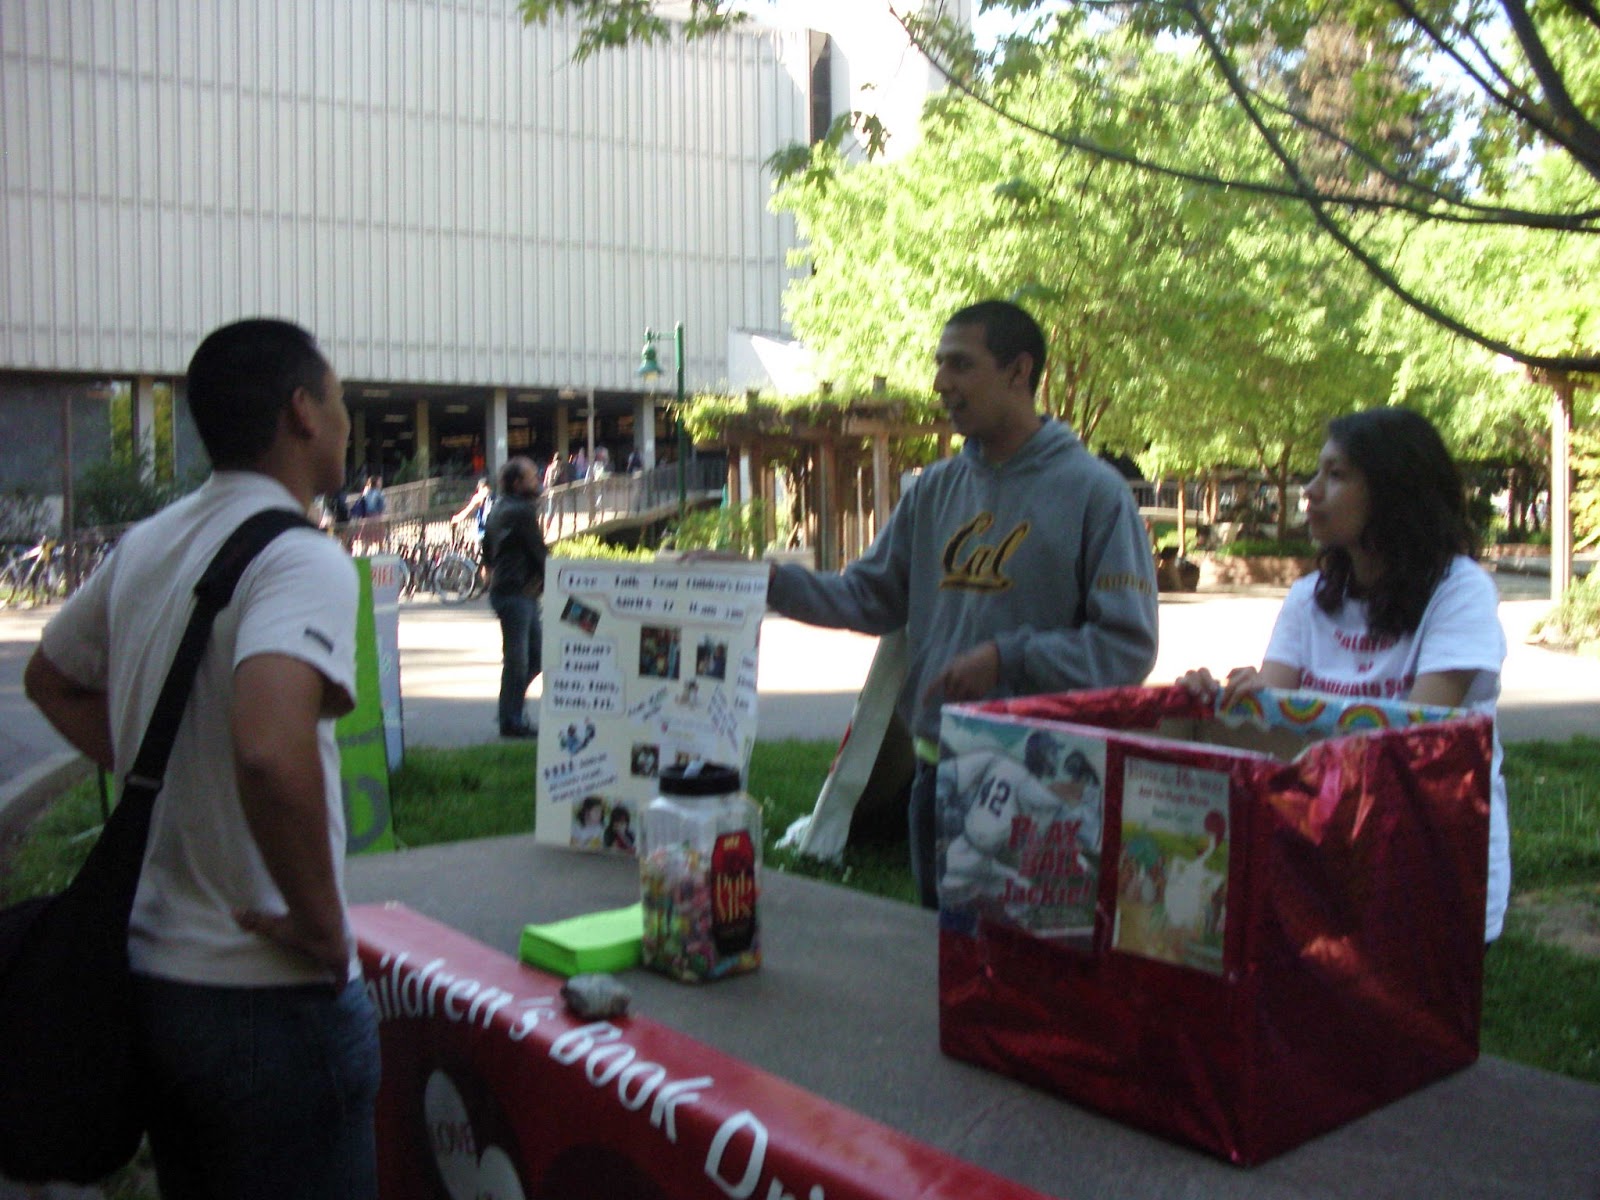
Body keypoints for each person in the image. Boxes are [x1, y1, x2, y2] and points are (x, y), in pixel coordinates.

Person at [22, 319, 380, 1198]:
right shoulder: (302, 559)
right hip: (269, 995)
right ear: (302, 412)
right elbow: (270, 750)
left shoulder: (150, 542)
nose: (346, 423)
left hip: (156, 985)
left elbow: (51, 678)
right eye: (339, 401)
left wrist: (161, 765)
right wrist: (322, 927)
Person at [766, 299, 1159, 908]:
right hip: (933, 776)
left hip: (1044, 786)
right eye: (939, 364)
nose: (940, 383)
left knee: (1020, 962)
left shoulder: (1096, 495)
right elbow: (867, 597)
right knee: (936, 956)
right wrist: (761, 581)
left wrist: (1007, 658)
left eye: (960, 364)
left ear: (1018, 371)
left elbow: (1125, 648)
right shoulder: (934, 490)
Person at [1180, 407, 1509, 944]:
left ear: (1395, 491)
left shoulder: (1460, 592)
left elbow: (1417, 739)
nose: (1310, 491)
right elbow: (1274, 717)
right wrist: (1222, 701)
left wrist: (1289, 719)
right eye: (1317, 473)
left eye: (1336, 475)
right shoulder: (1308, 597)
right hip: (1327, 847)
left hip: (1428, 856)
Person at [483, 455, 548, 738]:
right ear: (518, 483)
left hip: (512, 591)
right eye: (532, 477)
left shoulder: (498, 507)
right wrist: (562, 580)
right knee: (519, 660)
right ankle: (511, 720)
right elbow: (538, 552)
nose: (538, 481)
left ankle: (510, 710)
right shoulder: (521, 511)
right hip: (516, 593)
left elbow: (487, 547)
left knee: (532, 657)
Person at [450, 476, 494, 545]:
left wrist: (456, 518)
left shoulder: (479, 496)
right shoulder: (495, 496)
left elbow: (467, 512)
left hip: (483, 534)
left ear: (480, 487)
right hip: (495, 533)